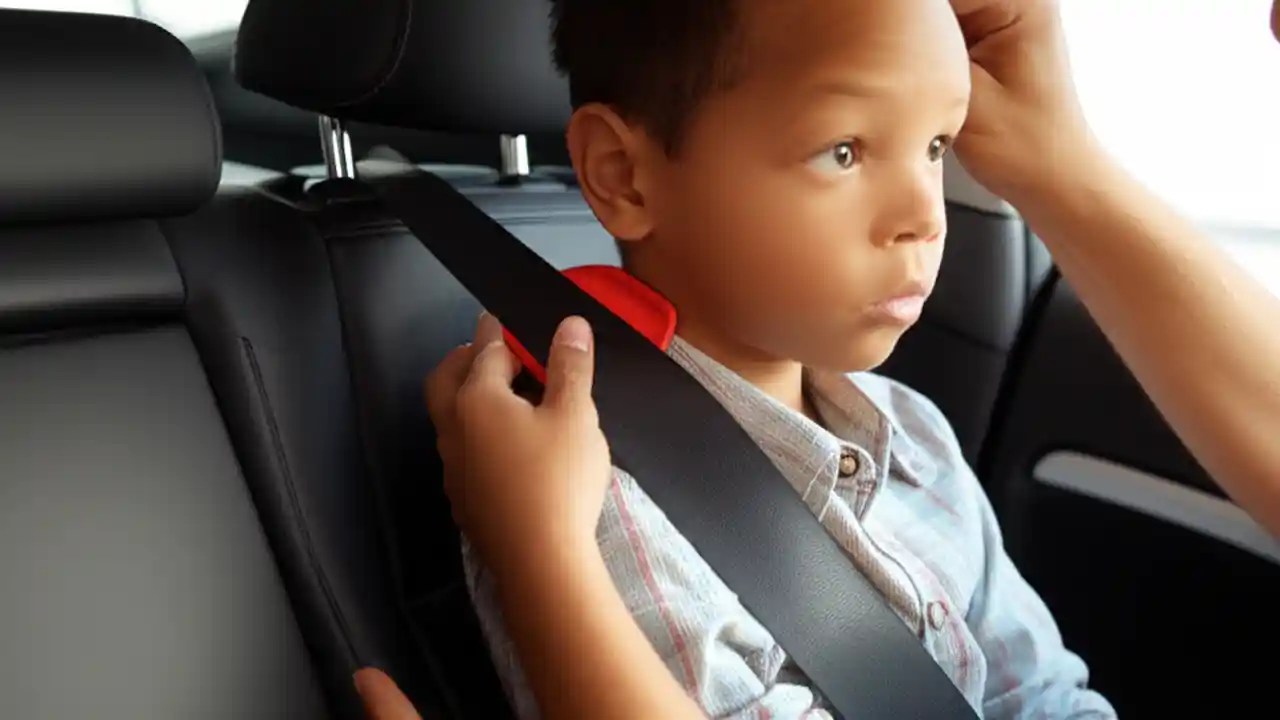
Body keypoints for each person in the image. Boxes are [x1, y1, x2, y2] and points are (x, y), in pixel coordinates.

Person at [358, 0, 1280, 717]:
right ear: (622, 175)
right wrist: (544, 549)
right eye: (843, 151)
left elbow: (1039, 698)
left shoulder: (915, 437)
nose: (924, 214)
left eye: (936, 145)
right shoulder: (601, 500)